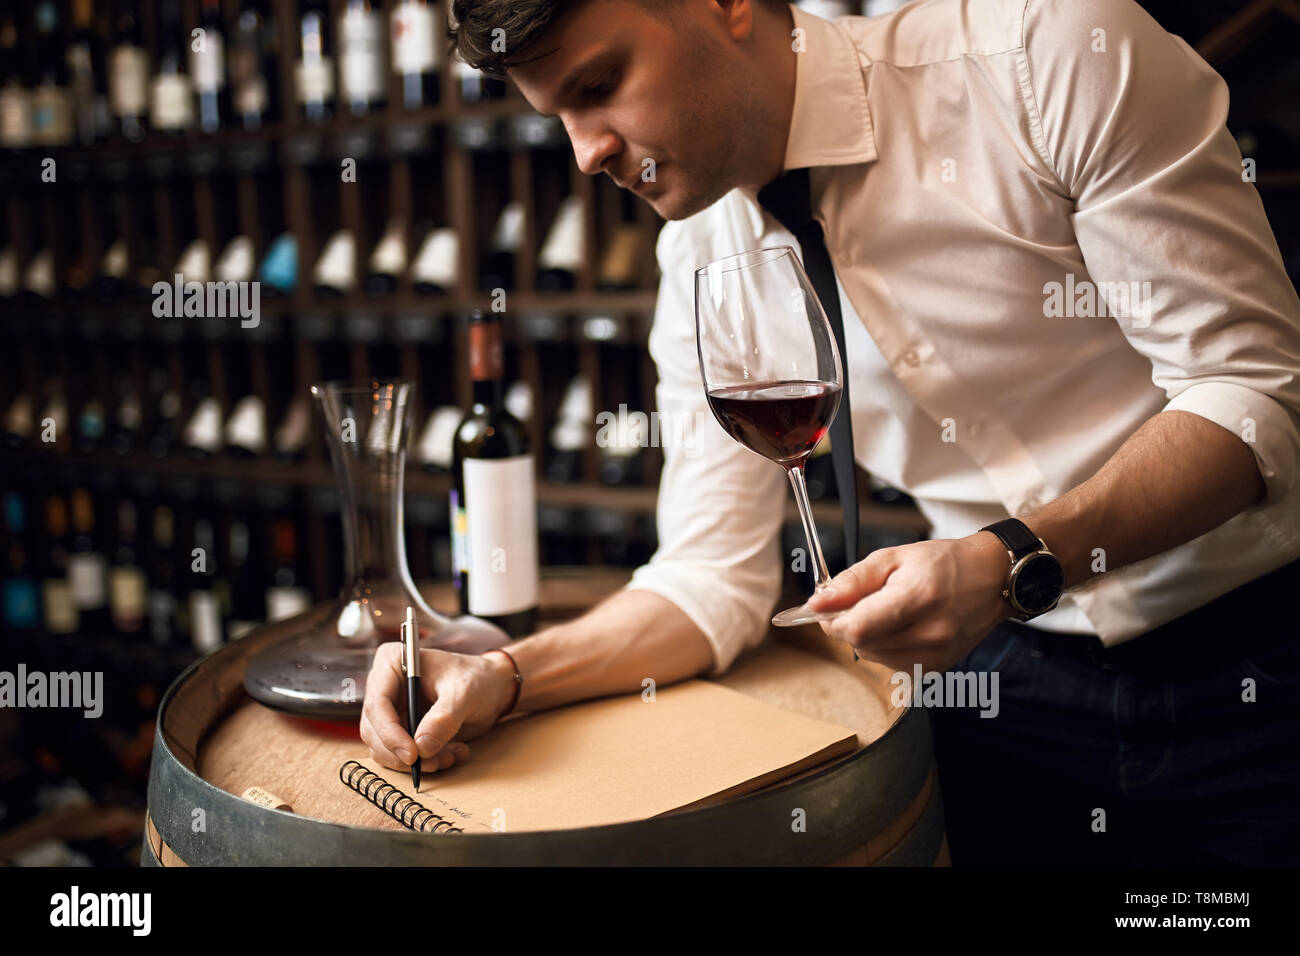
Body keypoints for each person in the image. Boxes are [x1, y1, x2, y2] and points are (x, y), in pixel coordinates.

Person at [360, 0, 1300, 865]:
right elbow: (709, 579)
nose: (585, 152)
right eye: (555, 116)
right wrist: (505, 675)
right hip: (995, 691)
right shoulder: (699, 254)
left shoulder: (1049, 53)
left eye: (600, 84)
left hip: (1255, 665)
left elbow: (1252, 390)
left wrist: (1008, 559)